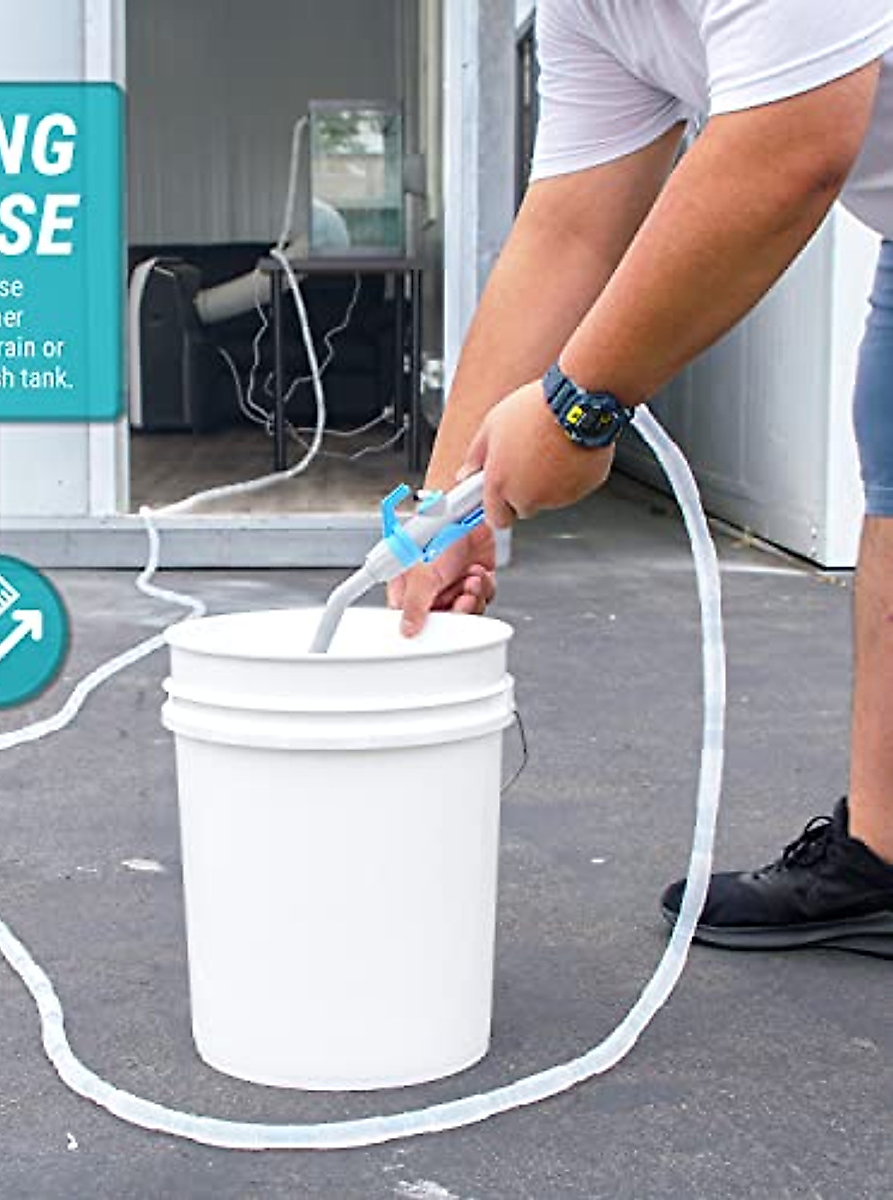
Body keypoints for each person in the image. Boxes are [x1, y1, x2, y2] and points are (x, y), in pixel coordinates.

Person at [390, 0, 893, 957]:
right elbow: (569, 229)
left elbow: (791, 149)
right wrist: (445, 507)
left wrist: (578, 406)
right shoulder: (587, 13)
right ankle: (884, 860)